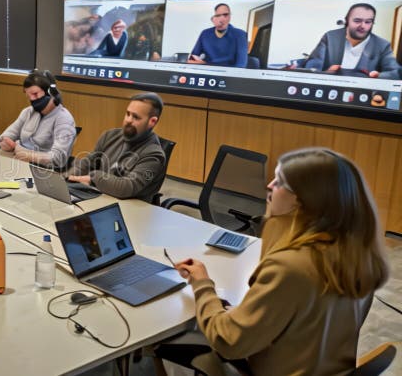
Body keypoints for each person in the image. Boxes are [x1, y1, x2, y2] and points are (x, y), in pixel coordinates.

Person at [157, 148, 389, 375]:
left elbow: (227, 341)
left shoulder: (289, 267)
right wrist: (250, 313)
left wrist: (202, 283)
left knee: (175, 341)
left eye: (279, 182)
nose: (269, 186)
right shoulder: (358, 256)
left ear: (303, 201)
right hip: (322, 365)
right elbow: (305, 320)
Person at [67, 93, 166, 201]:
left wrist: (93, 178)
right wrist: (68, 178)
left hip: (129, 209)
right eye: (128, 114)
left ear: (152, 121)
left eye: (136, 117)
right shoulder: (109, 136)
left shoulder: (154, 155)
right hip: (98, 197)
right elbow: (87, 164)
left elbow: (127, 187)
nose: (128, 120)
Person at [0, 70, 76, 168]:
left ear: (50, 93)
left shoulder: (64, 118)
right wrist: (6, 142)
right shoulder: (28, 112)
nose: (31, 99)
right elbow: (6, 136)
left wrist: (26, 154)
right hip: (20, 163)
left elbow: (58, 159)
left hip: (45, 171)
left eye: (35, 94)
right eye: (28, 96)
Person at [303, 3, 400, 79]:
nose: (363, 26)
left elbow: (395, 72)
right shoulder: (330, 36)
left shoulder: (382, 44)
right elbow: (313, 63)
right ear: (347, 20)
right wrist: (324, 74)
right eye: (357, 21)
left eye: (368, 22)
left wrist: (378, 76)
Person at [188, 3, 248, 68]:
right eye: (218, 15)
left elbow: (241, 65)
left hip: (228, 74)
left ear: (229, 17)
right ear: (213, 18)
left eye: (225, 15)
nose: (221, 19)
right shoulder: (205, 33)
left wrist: (206, 64)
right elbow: (193, 58)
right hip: (208, 72)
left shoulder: (241, 34)